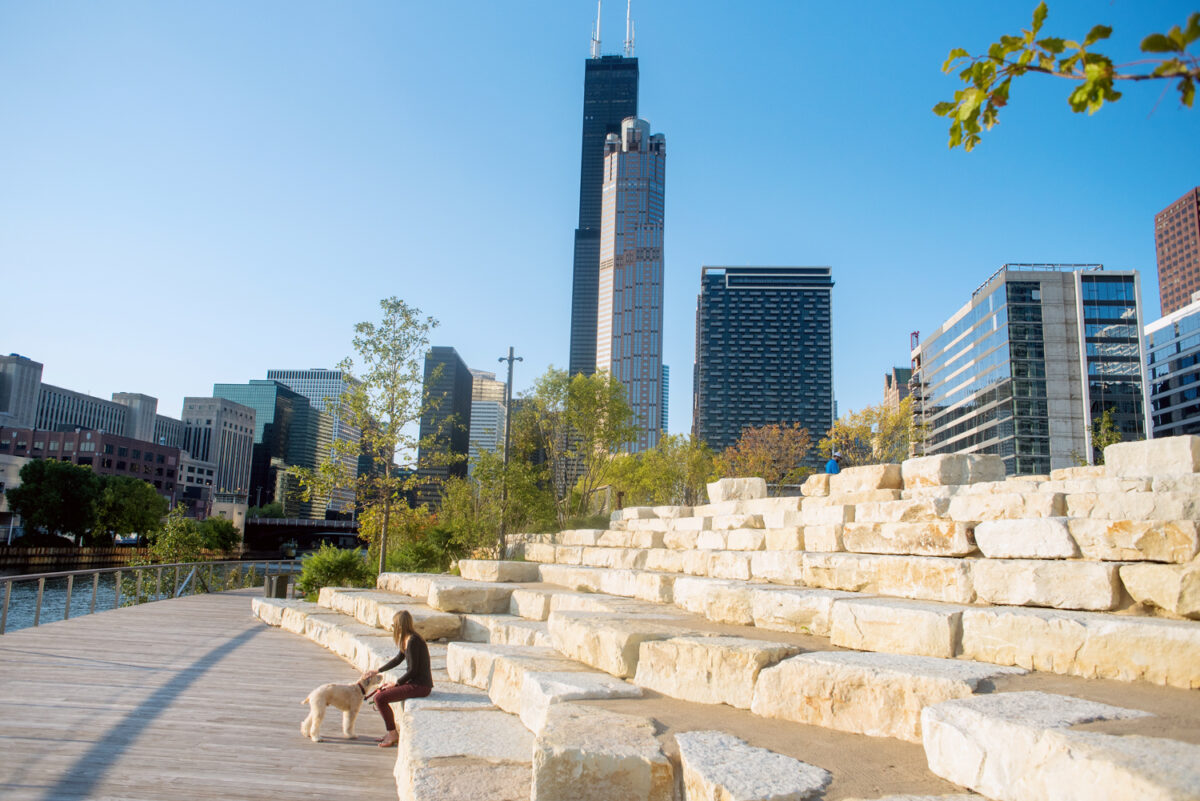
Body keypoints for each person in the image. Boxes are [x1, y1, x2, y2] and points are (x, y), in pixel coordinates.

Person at [360, 609, 432, 748]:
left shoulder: (413, 641)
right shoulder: (407, 639)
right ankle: (391, 732)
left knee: (379, 698)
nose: (393, 628)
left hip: (421, 686)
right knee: (381, 694)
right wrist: (378, 670)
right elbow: (398, 659)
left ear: (400, 626)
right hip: (414, 682)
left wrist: (396, 684)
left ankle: (392, 734)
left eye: (394, 625)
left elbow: (413, 670)